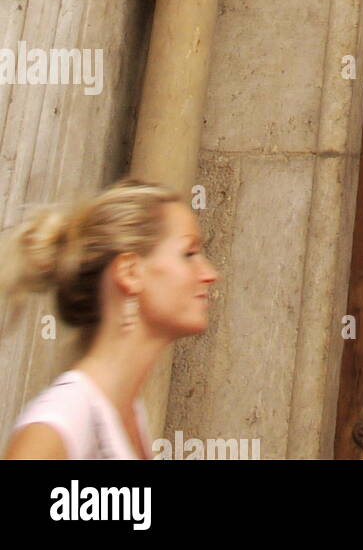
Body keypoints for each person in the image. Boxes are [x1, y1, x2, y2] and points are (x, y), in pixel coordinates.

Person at [0, 178, 217, 460]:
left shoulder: (128, 413)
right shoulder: (60, 423)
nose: (209, 273)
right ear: (129, 272)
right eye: (188, 254)